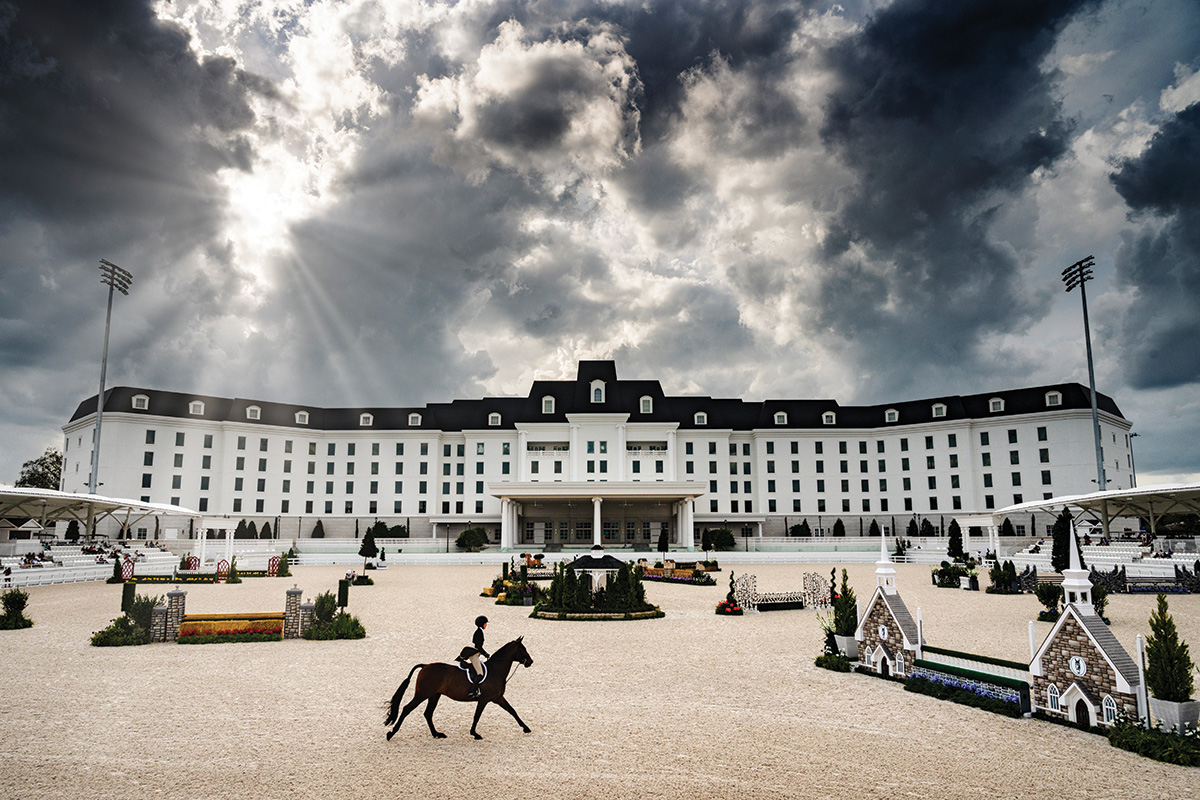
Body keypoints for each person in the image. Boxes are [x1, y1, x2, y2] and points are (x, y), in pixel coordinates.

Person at [457, 615, 490, 699]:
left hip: (476, 654)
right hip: (474, 655)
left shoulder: (479, 631)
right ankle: (472, 691)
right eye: (485, 623)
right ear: (482, 624)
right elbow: (479, 647)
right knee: (480, 673)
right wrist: (486, 654)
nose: (486, 625)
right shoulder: (479, 632)